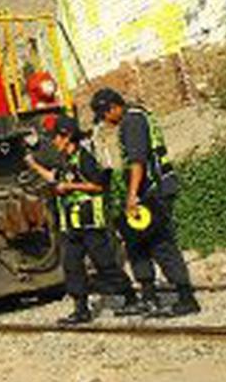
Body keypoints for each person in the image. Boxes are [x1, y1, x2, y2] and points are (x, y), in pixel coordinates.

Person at [90, 88, 201, 318]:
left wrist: (131, 195)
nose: (104, 121)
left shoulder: (132, 122)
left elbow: (138, 161)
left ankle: (186, 298)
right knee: (136, 243)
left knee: (161, 244)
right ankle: (148, 296)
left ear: (112, 108)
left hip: (153, 190)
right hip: (149, 189)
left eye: (103, 115)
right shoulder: (139, 115)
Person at [25, 116, 144, 324]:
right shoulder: (65, 161)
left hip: (89, 222)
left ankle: (130, 296)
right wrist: (34, 166)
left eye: (57, 137)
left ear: (67, 137)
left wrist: (69, 188)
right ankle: (81, 309)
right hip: (71, 224)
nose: (54, 142)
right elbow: (56, 180)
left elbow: (98, 186)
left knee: (104, 263)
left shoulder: (85, 158)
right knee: (72, 265)